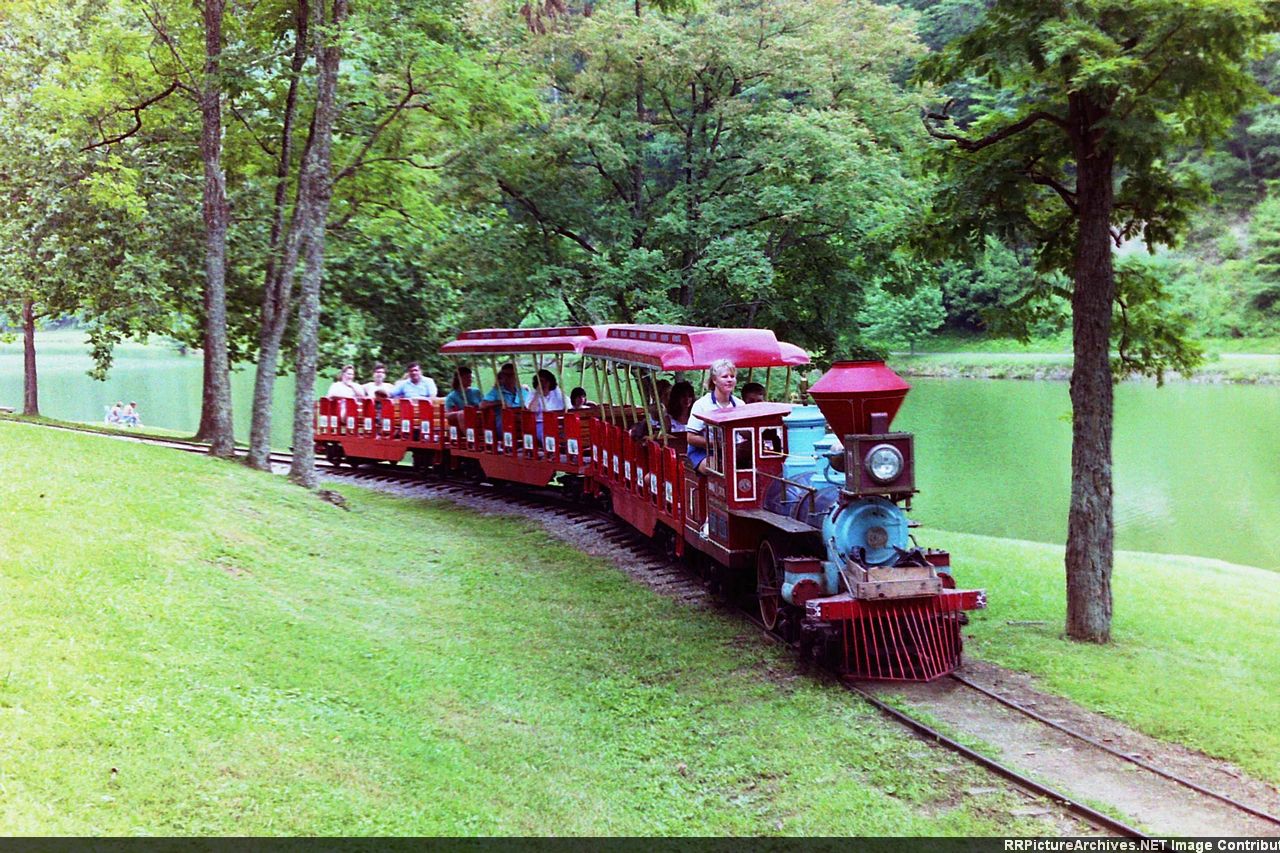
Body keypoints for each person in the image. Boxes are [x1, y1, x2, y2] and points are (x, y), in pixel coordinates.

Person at [686, 358, 743, 475]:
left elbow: (745, 432)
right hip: (703, 452)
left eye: (732, 376)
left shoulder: (740, 404)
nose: (729, 380)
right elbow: (691, 437)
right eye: (725, 376)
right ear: (714, 380)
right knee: (720, 468)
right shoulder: (701, 404)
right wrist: (718, 444)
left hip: (733, 452)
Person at [481, 362, 529, 433]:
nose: (508, 378)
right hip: (504, 423)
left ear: (516, 376)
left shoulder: (523, 392)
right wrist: (500, 402)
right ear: (502, 376)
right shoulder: (496, 392)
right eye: (505, 375)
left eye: (511, 375)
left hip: (522, 421)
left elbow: (529, 406)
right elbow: (482, 405)